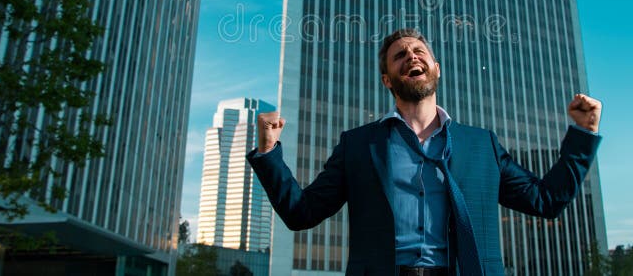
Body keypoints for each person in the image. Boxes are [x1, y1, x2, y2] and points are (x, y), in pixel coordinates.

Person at [248, 28, 602, 276]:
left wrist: (582, 134)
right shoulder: (359, 145)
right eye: (399, 56)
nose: (411, 57)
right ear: (388, 79)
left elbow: (546, 200)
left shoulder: (482, 145)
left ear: (436, 69)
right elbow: (301, 212)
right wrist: (268, 153)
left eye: (419, 52)